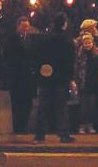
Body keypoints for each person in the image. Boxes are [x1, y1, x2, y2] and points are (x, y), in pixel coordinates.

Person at [32, 13, 76, 143]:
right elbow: (69, 60)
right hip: (61, 77)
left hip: (46, 75)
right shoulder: (66, 40)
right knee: (61, 107)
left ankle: (40, 134)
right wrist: (71, 78)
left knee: (43, 106)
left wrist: (40, 70)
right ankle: (63, 134)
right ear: (64, 24)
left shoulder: (45, 38)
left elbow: (36, 55)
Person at [4, 17, 39, 133]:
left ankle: (24, 126)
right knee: (17, 103)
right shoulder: (12, 39)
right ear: (18, 26)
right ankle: (17, 127)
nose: (25, 29)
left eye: (27, 27)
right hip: (16, 75)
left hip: (28, 76)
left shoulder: (31, 39)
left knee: (27, 103)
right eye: (23, 27)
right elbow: (9, 56)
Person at [74, 32, 98, 133]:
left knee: (91, 106)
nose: (88, 45)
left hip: (93, 83)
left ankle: (90, 125)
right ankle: (82, 125)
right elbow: (76, 68)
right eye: (85, 43)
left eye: (89, 42)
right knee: (82, 106)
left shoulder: (96, 54)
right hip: (82, 82)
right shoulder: (79, 55)